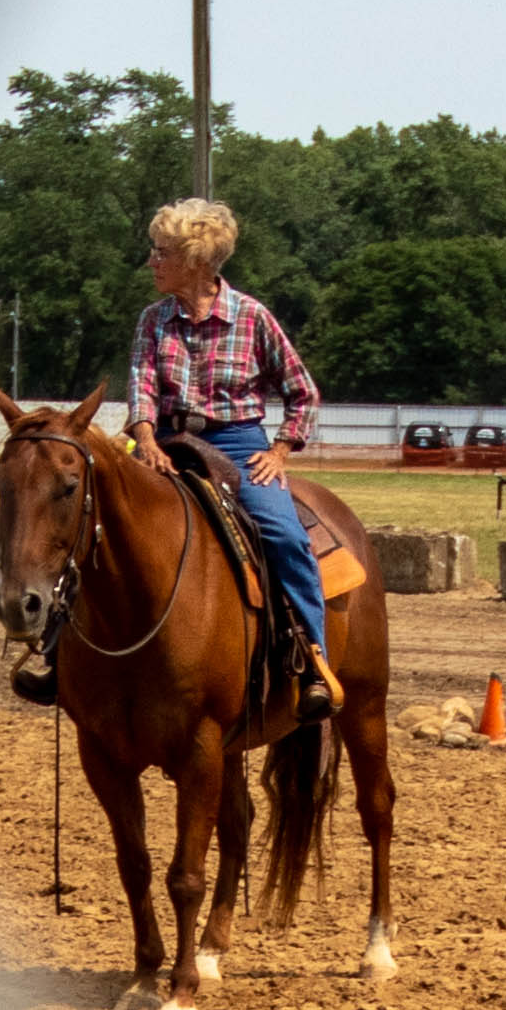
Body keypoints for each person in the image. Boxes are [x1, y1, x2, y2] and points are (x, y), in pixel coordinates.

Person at [125, 197, 333, 719]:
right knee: (96, 507)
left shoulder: (253, 318)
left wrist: (281, 449)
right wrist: (145, 439)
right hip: (166, 439)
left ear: (194, 260)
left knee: (285, 535)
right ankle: (59, 654)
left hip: (239, 444)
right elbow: (141, 388)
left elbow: (302, 391)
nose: (151, 261)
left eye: (161, 251)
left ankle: (312, 661)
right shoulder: (153, 320)